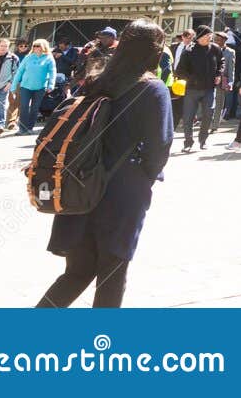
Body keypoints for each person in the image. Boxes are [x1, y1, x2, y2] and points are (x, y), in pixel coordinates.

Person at [36, 19, 171, 309]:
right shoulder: (152, 88)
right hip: (122, 189)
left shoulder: (96, 79)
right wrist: (145, 175)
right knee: (112, 273)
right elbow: (160, 145)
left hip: (79, 183)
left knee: (77, 272)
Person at [173, 26, 223, 154]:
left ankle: (203, 140)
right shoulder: (189, 51)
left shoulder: (215, 49)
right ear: (200, 37)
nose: (210, 38)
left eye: (210, 36)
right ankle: (188, 143)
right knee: (188, 117)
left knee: (208, 115)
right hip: (192, 90)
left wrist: (218, 74)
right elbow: (179, 70)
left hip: (209, 89)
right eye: (207, 36)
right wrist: (192, 79)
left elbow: (221, 62)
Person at [12, 39, 58, 135]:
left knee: (34, 108)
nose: (36, 48)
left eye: (38, 46)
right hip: (25, 86)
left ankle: (29, 128)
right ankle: (22, 128)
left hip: (40, 87)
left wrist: (51, 84)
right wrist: (13, 86)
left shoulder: (49, 58)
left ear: (44, 47)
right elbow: (19, 72)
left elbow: (52, 72)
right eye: (34, 46)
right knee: (24, 107)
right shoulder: (28, 57)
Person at [211, 30, 237, 135]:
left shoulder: (230, 52)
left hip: (222, 80)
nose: (216, 41)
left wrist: (231, 81)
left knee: (219, 104)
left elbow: (231, 68)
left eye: (219, 40)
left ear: (224, 41)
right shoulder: (210, 49)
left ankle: (215, 125)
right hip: (208, 79)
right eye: (215, 39)